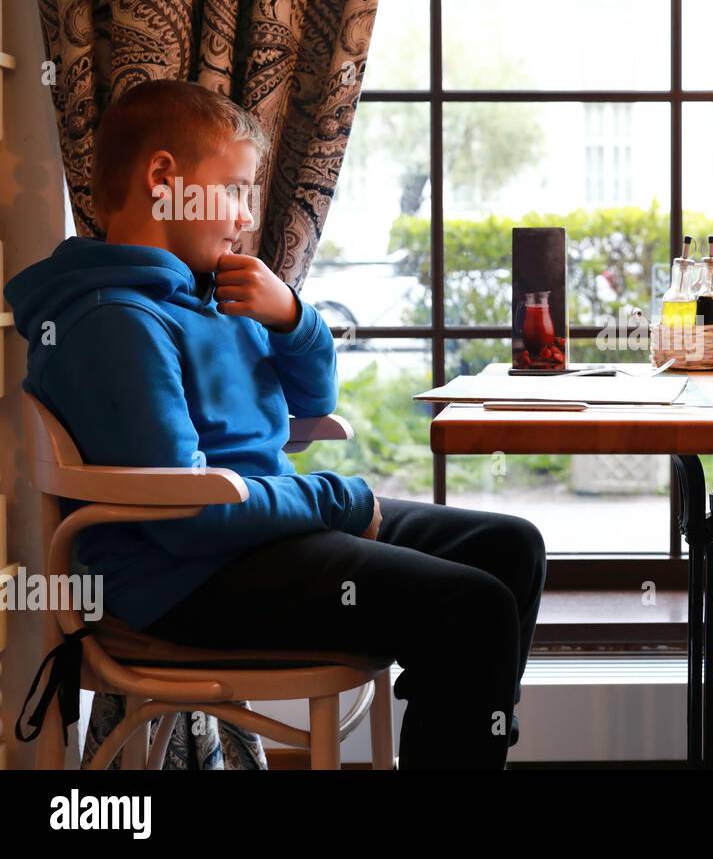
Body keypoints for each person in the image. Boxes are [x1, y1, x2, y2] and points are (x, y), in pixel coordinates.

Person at [4, 79, 546, 769]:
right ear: (163, 178)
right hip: (185, 581)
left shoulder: (210, 292)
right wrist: (336, 500)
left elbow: (312, 401)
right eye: (232, 189)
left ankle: (463, 710)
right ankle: (461, 704)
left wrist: (291, 316)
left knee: (510, 548)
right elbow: (189, 512)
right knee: (470, 609)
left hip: (253, 533)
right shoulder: (113, 321)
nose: (243, 217)